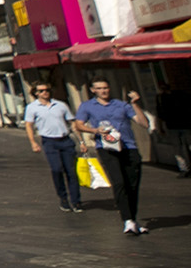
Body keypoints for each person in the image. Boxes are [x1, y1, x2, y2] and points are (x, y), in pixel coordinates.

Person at [74, 79, 154, 235]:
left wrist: (135, 104)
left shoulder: (121, 105)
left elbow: (144, 123)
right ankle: (127, 220)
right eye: (99, 88)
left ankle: (132, 219)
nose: (103, 91)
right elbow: (79, 125)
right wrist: (96, 130)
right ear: (93, 90)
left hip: (128, 147)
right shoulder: (87, 106)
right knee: (119, 182)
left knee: (132, 184)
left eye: (105, 88)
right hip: (107, 148)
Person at [23, 84, 81, 212]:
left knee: (71, 172)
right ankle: (63, 198)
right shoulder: (32, 108)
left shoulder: (60, 105)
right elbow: (29, 125)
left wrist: (81, 141)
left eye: (47, 90)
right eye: (41, 91)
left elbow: (73, 123)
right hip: (49, 142)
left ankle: (76, 201)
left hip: (65, 140)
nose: (45, 92)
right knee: (56, 169)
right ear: (36, 93)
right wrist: (33, 142)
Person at [156, 83, 191, 178]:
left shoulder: (161, 98)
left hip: (174, 126)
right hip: (183, 125)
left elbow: (159, 115)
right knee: (184, 147)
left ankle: (184, 169)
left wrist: (160, 127)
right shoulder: (182, 95)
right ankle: (184, 168)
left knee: (178, 149)